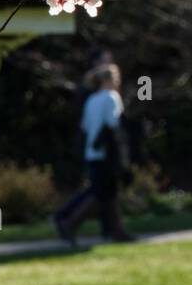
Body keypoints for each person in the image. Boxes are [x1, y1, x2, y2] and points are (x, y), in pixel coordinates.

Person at [53, 63, 136, 246]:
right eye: (116, 78)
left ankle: (117, 231)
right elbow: (115, 126)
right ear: (108, 80)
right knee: (101, 194)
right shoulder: (111, 98)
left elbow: (85, 127)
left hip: (92, 151)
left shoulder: (92, 100)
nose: (118, 82)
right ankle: (69, 222)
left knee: (107, 193)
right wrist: (123, 155)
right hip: (107, 153)